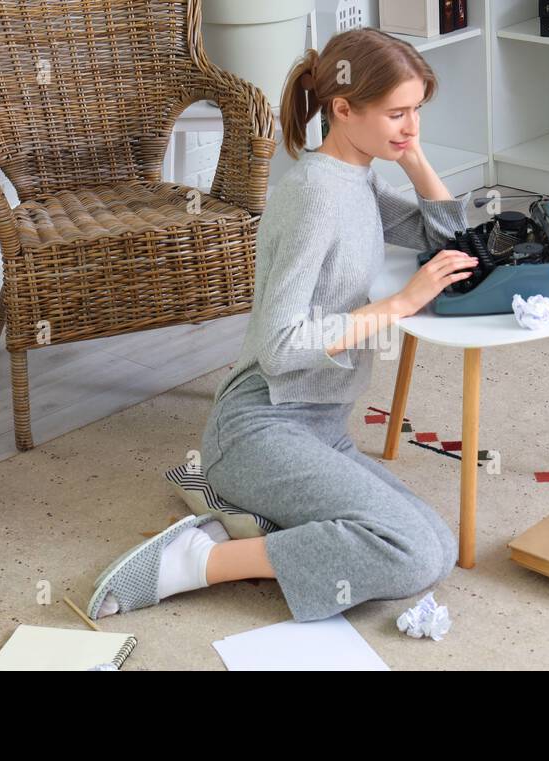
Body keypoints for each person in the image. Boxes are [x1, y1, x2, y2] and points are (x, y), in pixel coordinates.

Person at [88, 28, 479, 623]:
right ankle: (197, 559)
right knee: (412, 554)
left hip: (322, 426)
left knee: (438, 546)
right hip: (260, 427)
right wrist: (398, 305)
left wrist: (413, 151)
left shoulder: (359, 179)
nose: (410, 124)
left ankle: (240, 512)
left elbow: (445, 238)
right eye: (397, 113)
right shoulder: (312, 196)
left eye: (417, 111)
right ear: (343, 109)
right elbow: (279, 348)